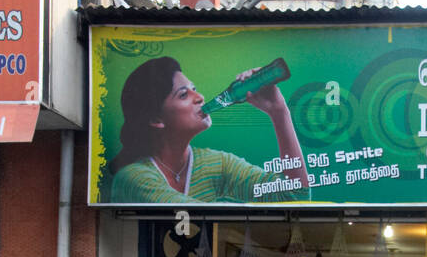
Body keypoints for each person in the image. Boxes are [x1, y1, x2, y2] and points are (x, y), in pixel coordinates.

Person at [105, 56, 311, 205]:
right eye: (184, 94)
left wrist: (279, 112)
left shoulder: (216, 164)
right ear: (156, 119)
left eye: (194, 88)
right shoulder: (132, 178)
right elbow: (194, 216)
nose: (200, 97)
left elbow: (295, 197)